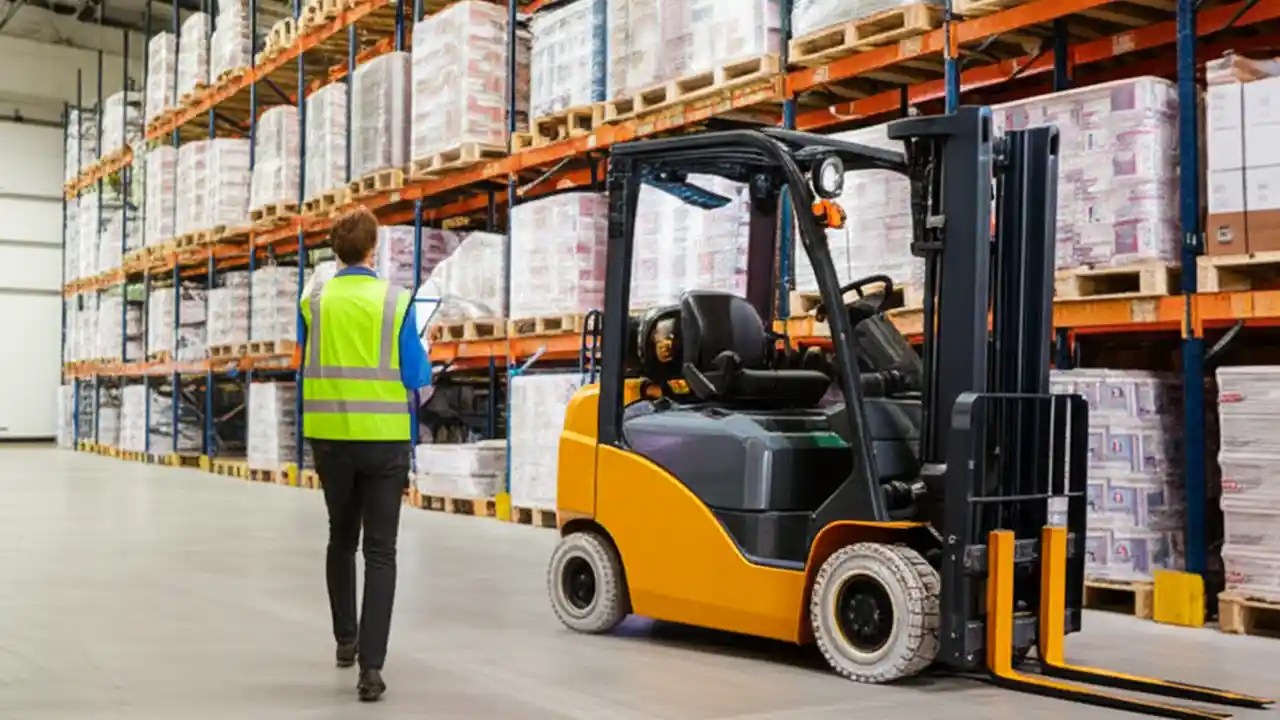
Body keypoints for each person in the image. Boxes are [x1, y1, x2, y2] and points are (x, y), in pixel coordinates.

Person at [299, 206, 431, 702]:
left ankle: (345, 640)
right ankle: (371, 669)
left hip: (330, 439)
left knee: (340, 539)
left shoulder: (313, 300)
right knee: (381, 552)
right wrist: (427, 353)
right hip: (383, 440)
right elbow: (416, 377)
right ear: (373, 249)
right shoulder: (397, 300)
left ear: (337, 250)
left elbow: (304, 359)